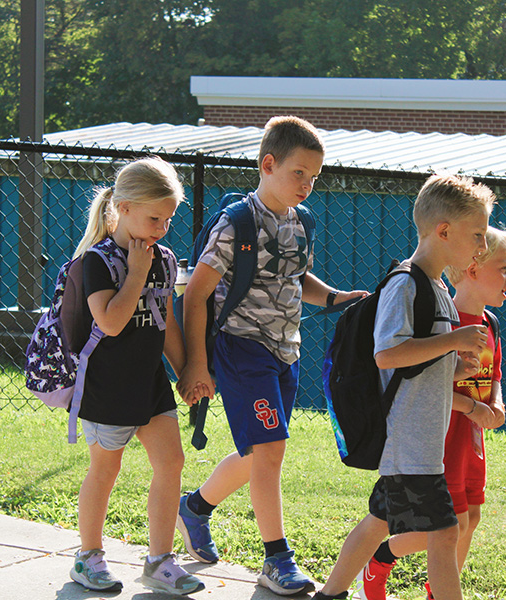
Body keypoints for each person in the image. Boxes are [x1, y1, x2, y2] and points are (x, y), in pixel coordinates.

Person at [175, 116, 365, 596]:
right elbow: (196, 294)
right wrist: (196, 362)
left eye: (314, 177)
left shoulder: (302, 223)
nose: (307, 184)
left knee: (260, 449)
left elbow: (296, 279)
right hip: (242, 348)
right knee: (271, 449)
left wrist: (337, 297)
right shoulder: (235, 224)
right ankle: (277, 559)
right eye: (299, 173)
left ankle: (194, 508)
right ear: (268, 165)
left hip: (286, 351)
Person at [312, 174, 496, 600]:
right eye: (477, 235)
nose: (482, 246)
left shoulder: (438, 289)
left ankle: (330, 595)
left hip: (418, 444)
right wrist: (452, 341)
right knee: (446, 533)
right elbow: (388, 354)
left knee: (379, 522)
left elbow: (419, 364)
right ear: (444, 231)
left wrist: (455, 368)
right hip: (408, 442)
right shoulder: (406, 283)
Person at [69, 157, 205, 595]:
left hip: (150, 385)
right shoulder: (97, 261)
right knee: (105, 470)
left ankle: (159, 561)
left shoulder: (164, 260)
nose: (162, 229)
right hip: (107, 389)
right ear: (123, 208)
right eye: (154, 219)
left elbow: (166, 322)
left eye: (168, 220)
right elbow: (110, 322)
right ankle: (88, 556)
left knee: (171, 462)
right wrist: (137, 274)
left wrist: (185, 372)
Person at [356, 227, 506, 600]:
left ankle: (437, 590)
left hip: (471, 441)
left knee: (470, 518)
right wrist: (473, 407)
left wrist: (496, 404)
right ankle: (382, 557)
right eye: (503, 268)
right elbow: (432, 384)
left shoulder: (490, 324)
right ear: (473, 269)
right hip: (441, 437)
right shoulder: (448, 323)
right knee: (448, 524)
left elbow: (493, 375)